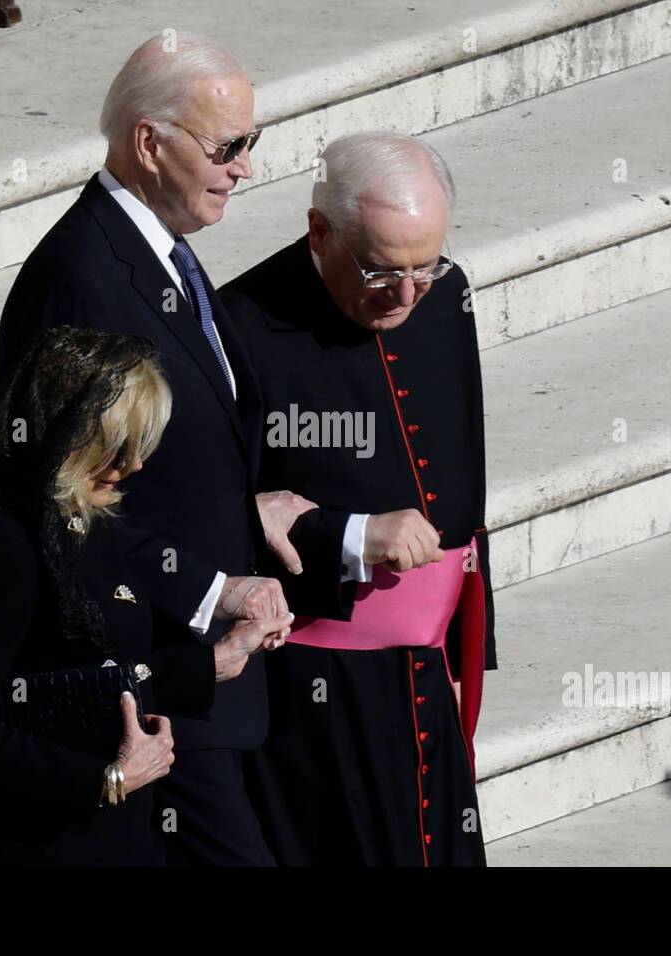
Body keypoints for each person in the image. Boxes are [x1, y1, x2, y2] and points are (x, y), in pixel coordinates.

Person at [0, 34, 325, 865]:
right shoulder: (83, 276)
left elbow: (166, 457)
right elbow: (59, 500)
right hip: (150, 675)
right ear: (150, 143)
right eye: (226, 147)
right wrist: (215, 586)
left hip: (203, 673)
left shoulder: (160, 254)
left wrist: (240, 509)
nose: (244, 167)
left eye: (251, 143)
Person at [221, 132, 498, 866]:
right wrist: (346, 535)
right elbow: (206, 513)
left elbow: (461, 450)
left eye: (424, 268)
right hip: (315, 688)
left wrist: (471, 628)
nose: (407, 295)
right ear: (321, 231)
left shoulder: (449, 291)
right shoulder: (239, 325)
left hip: (431, 665)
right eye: (381, 269)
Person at [0, 327, 290, 866]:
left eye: (141, 447)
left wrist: (214, 662)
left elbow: (92, 678)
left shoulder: (83, 520)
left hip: (118, 840)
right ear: (65, 434)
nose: (133, 466)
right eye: (117, 449)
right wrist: (107, 778)